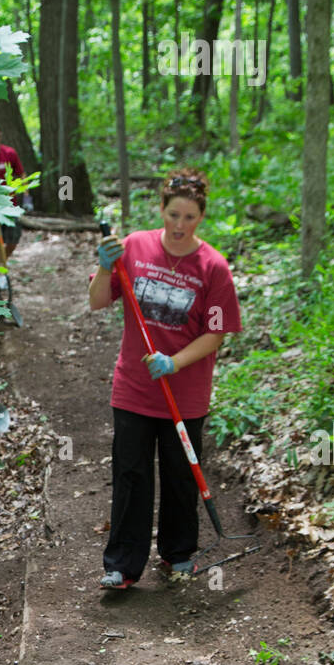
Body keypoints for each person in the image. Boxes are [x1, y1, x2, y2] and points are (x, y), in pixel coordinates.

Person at [88, 168, 242, 589]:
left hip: (184, 392)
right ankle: (122, 564)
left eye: (189, 217)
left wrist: (174, 362)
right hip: (134, 388)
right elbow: (98, 301)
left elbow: (215, 334)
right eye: (173, 214)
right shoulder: (133, 247)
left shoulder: (213, 267)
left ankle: (179, 553)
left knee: (179, 475)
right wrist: (105, 268)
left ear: (201, 217)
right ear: (161, 208)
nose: (179, 225)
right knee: (131, 475)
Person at [0, 122, 32, 271]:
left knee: (13, 240)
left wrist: (27, 196)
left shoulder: (9, 154)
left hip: (10, 205)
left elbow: (21, 174)